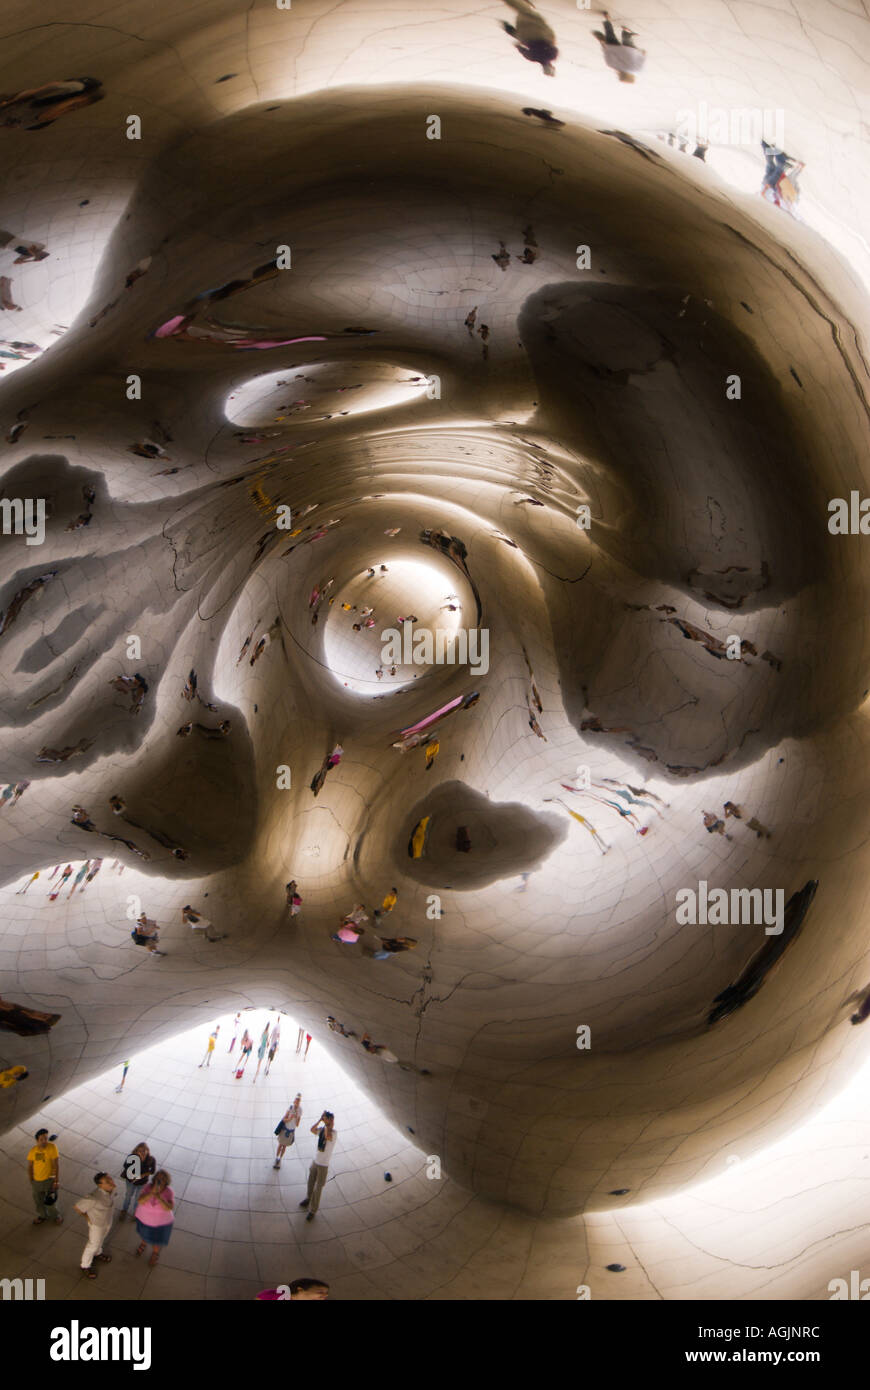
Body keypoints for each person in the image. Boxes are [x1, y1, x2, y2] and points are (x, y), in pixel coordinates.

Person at [75, 1172, 116, 1278]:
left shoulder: (111, 1189)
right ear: (100, 1185)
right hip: (97, 1225)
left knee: (101, 1239)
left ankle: (98, 1253)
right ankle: (85, 1265)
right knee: (92, 1244)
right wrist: (88, 1218)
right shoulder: (93, 1198)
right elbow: (77, 1208)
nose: (111, 1182)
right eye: (107, 1182)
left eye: (110, 1179)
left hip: (107, 1220)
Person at [500, 0, 558, 75]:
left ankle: (524, 4)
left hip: (540, 31)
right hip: (525, 34)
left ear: (552, 66)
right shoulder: (532, 58)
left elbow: (553, 45)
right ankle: (507, 27)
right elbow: (520, 48)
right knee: (522, 13)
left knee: (525, 11)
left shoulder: (553, 55)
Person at [299, 1112, 337, 1220]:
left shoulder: (334, 1133)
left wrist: (328, 1125)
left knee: (318, 1188)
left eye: (326, 1119)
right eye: (323, 1118)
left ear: (330, 1120)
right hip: (316, 1161)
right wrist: (320, 1120)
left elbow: (327, 1136)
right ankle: (308, 1198)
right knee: (311, 1182)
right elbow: (312, 1129)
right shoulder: (321, 1129)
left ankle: (313, 1210)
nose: (324, 1120)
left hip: (323, 1165)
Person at [134, 1170, 175, 1267]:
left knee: (156, 1240)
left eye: (163, 1179)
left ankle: (155, 1254)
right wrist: (151, 1193)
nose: (160, 1180)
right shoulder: (148, 1187)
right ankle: (143, 1244)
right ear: (155, 1178)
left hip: (160, 1223)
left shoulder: (169, 1192)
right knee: (144, 1234)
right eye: (158, 1178)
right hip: (144, 1219)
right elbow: (140, 1201)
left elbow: (168, 1207)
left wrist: (159, 1197)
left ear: (166, 1181)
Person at [592, 12, 646, 82]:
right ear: (620, 75)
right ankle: (607, 19)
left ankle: (626, 32)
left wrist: (643, 53)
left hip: (629, 50)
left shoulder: (637, 70)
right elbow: (607, 54)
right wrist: (603, 44)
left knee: (627, 42)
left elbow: (641, 60)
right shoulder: (613, 66)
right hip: (615, 48)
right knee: (610, 34)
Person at [27, 1128, 62, 1225]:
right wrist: (31, 1179)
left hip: (49, 1180)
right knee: (38, 1201)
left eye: (46, 1138)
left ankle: (55, 1215)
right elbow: (30, 1166)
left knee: (50, 1200)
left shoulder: (52, 1147)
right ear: (37, 1140)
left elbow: (56, 1165)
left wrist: (56, 1181)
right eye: (42, 1139)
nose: (44, 1141)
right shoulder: (33, 1151)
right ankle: (42, 1216)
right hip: (36, 1181)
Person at [119, 1143, 155, 1221]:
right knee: (128, 1196)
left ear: (147, 1150)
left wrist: (143, 1175)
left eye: (144, 1151)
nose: (142, 1152)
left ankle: (136, 1212)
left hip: (142, 1183)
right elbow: (126, 1167)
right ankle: (124, 1210)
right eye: (140, 1151)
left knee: (138, 1198)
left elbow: (152, 1171)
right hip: (131, 1182)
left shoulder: (151, 1160)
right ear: (136, 1151)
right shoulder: (132, 1158)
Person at [274, 1095, 302, 1167]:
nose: (296, 1104)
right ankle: (276, 1158)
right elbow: (284, 1119)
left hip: (291, 1130)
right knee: (280, 1144)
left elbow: (298, 1124)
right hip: (285, 1129)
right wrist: (290, 1118)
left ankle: (280, 1158)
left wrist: (296, 1118)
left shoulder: (300, 1110)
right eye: (296, 1102)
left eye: (298, 1102)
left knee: (284, 1146)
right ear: (294, 1102)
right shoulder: (290, 1108)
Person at [256, 1277, 330, 1300]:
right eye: (320, 1292)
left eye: (326, 1294)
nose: (325, 1296)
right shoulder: (271, 1295)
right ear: (300, 1290)